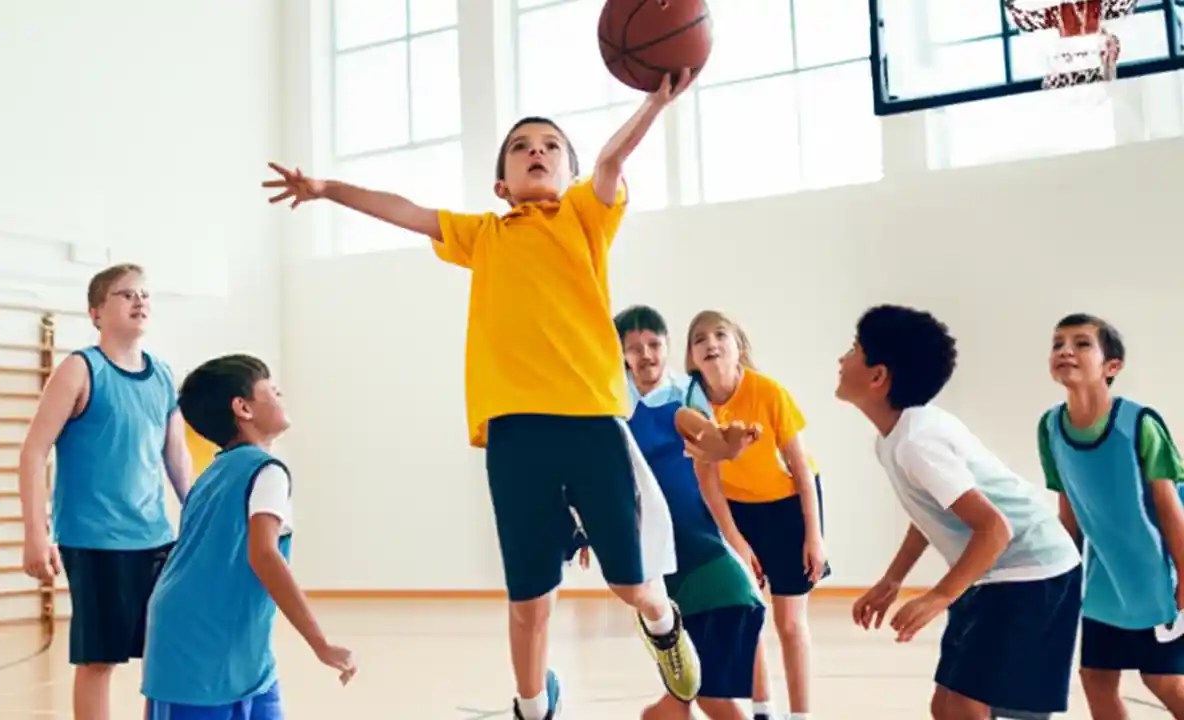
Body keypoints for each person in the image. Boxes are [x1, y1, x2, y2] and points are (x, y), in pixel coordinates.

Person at [262, 72, 700, 720]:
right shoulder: (484, 235)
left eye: (551, 145)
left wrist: (655, 103)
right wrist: (326, 188)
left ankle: (664, 623)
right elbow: (403, 210)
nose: (537, 151)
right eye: (522, 147)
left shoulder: (585, 216)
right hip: (515, 435)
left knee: (629, 581)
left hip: (591, 424)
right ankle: (532, 704)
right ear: (501, 184)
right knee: (529, 598)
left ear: (570, 171)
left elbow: (610, 160)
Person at [837, 304, 1082, 719]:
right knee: (948, 706)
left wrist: (939, 596)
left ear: (878, 377)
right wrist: (893, 579)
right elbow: (932, 514)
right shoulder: (894, 439)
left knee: (970, 705)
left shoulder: (918, 440)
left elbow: (994, 529)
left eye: (854, 349)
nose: (842, 359)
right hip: (993, 574)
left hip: (1034, 572)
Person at [17, 263, 193, 720]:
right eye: (125, 294)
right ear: (96, 312)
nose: (139, 301)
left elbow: (176, 458)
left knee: (168, 652)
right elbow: (33, 453)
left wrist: (197, 517)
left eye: (145, 294)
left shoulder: (162, 376)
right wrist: (36, 534)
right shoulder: (80, 369)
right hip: (95, 540)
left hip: (155, 537)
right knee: (100, 660)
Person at [141, 354, 356, 719]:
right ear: (243, 408)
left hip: (227, 645)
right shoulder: (267, 471)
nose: (280, 393)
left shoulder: (213, 472)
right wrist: (320, 644)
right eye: (271, 389)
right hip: (202, 645)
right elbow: (264, 556)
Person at [584, 304, 772, 720]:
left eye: (654, 344)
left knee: (702, 697)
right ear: (620, 355)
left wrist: (725, 440)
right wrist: (585, 527)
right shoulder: (611, 407)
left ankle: (765, 708)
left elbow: (700, 428)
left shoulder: (684, 396)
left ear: (668, 347)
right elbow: (599, 474)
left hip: (704, 562)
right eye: (634, 348)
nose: (646, 354)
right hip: (656, 566)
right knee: (673, 705)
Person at [680, 309, 826, 720]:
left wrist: (813, 537)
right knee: (751, 615)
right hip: (738, 513)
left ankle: (801, 715)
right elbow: (707, 481)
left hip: (789, 508)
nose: (711, 343)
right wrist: (735, 541)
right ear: (691, 358)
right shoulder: (692, 405)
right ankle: (763, 710)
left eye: (720, 334)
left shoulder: (768, 392)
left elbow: (800, 468)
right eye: (700, 338)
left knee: (791, 623)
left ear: (738, 346)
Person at [1038, 312, 1184, 718]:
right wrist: (1060, 582)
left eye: (1082, 343)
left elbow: (1170, 509)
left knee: (1164, 681)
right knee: (1096, 679)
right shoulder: (1050, 427)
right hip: (1105, 584)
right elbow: (1068, 513)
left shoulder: (1138, 424)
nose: (1065, 350)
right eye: (1057, 343)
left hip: (1158, 577)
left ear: (1112, 366)